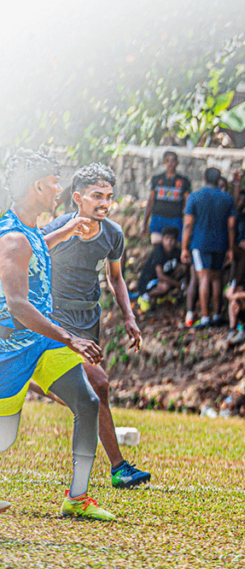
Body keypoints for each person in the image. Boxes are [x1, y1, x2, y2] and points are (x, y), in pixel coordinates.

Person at [0, 149, 112, 519]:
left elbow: (36, 252)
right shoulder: (13, 238)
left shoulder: (28, 232)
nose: (59, 189)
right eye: (53, 182)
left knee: (88, 400)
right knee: (5, 436)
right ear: (36, 186)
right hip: (9, 348)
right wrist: (71, 337)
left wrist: (64, 231)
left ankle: (77, 498)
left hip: (38, 340)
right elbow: (17, 304)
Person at [41, 162, 151, 488]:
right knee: (98, 384)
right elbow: (29, 255)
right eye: (96, 196)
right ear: (78, 198)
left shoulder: (113, 234)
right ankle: (119, 468)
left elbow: (115, 277)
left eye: (109, 196)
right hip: (56, 319)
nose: (104, 202)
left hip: (90, 319)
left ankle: (35, 383)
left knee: (92, 391)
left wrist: (129, 317)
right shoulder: (58, 228)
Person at [181, 167, 236, 329]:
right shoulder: (227, 198)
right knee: (217, 278)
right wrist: (231, 248)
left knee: (204, 278)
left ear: (204, 178)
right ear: (220, 181)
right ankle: (217, 315)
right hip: (221, 243)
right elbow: (231, 226)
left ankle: (205, 318)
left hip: (200, 243)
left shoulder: (194, 197)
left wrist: (184, 247)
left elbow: (188, 224)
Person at [142, 150, 191, 246]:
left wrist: (187, 223)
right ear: (164, 162)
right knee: (156, 243)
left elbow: (188, 203)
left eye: (173, 161)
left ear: (177, 163)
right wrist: (145, 222)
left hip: (175, 219)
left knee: (175, 246)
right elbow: (151, 201)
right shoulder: (156, 179)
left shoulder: (184, 181)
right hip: (158, 218)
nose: (170, 164)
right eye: (167, 161)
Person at [138, 227, 187, 311]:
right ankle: (145, 297)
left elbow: (183, 267)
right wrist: (180, 285)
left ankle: (164, 296)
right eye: (167, 238)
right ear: (162, 239)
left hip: (163, 279)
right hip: (149, 281)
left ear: (176, 241)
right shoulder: (159, 252)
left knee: (182, 268)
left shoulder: (176, 251)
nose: (169, 242)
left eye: (172, 239)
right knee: (165, 287)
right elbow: (160, 276)